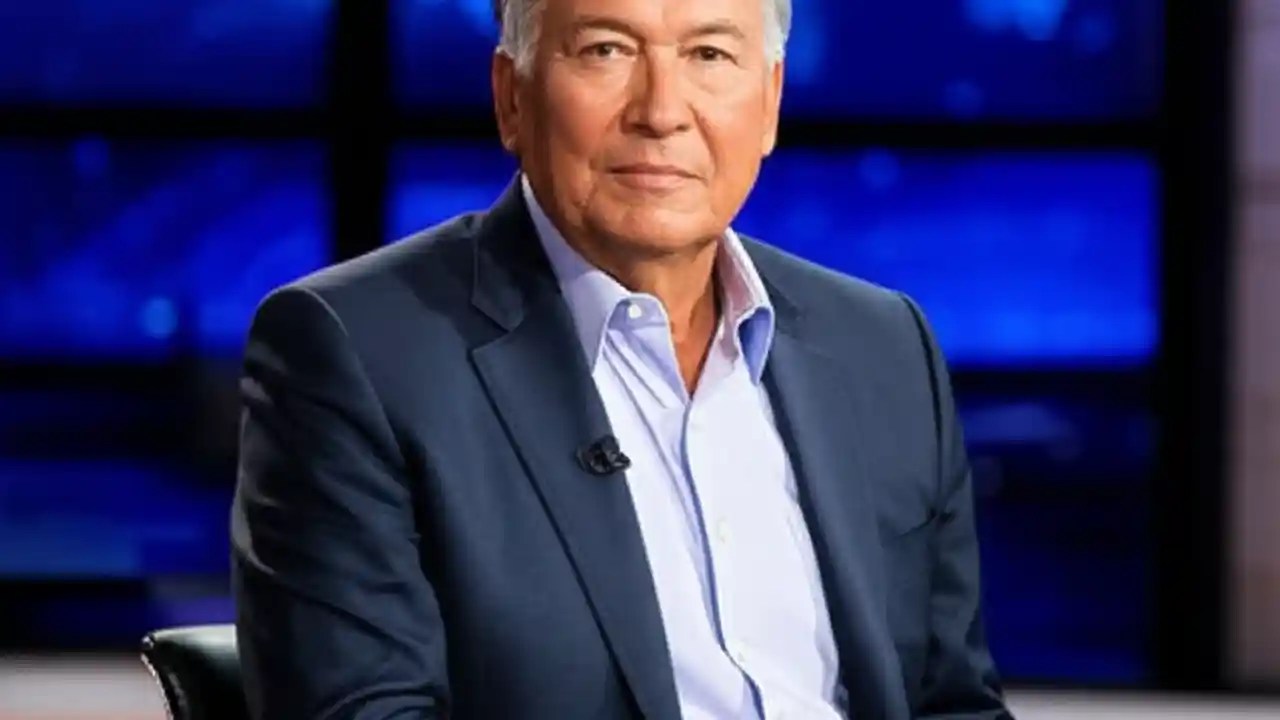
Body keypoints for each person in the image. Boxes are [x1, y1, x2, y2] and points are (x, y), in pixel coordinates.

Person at [231, 0, 1012, 717]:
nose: (662, 112)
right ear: (512, 95)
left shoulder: (884, 346)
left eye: (709, 55)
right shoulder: (355, 350)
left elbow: (952, 704)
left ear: (770, 101)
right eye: (606, 50)